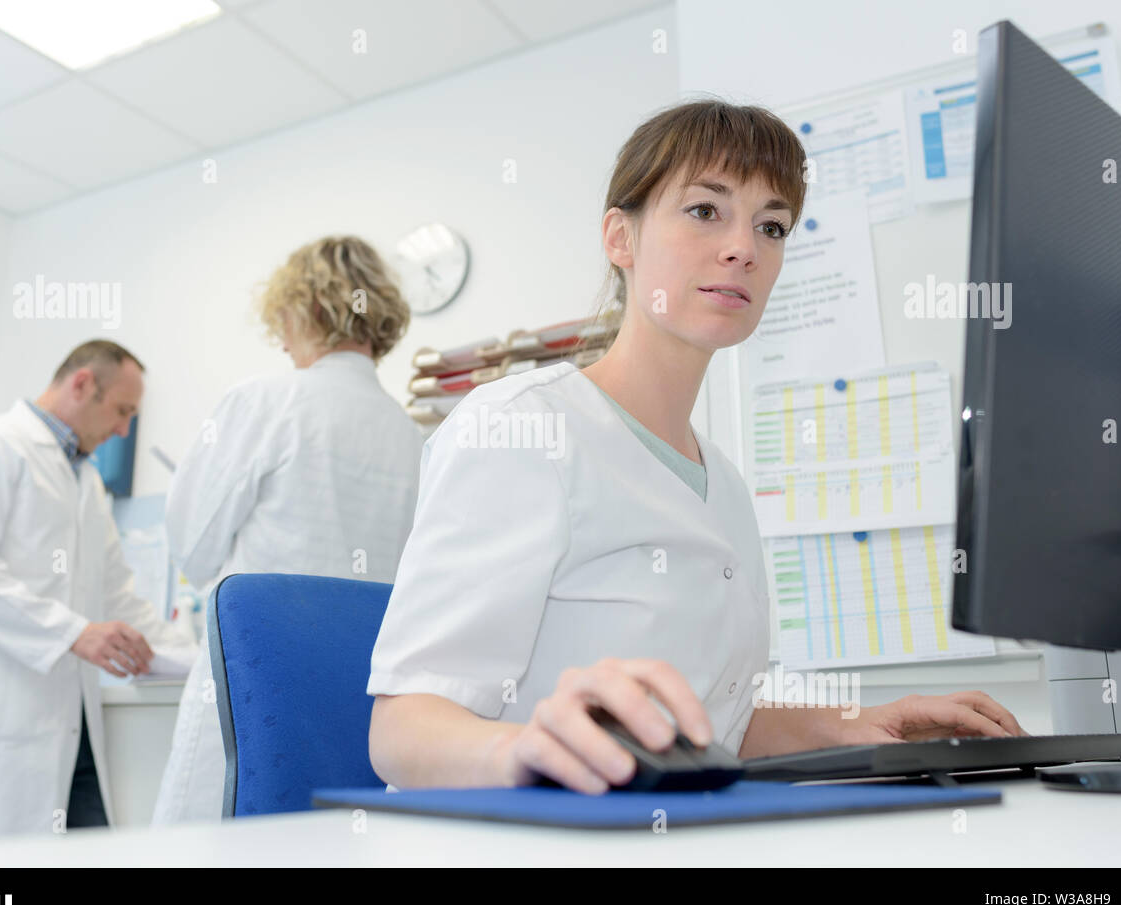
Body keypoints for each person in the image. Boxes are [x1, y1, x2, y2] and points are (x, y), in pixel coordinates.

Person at [366, 98, 1027, 794]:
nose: (744, 246)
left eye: (771, 226)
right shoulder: (521, 430)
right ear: (620, 238)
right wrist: (527, 751)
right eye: (706, 210)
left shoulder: (727, 485)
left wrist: (861, 722)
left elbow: (720, 725)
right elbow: (403, 730)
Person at [152, 235, 424, 825]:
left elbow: (192, 549)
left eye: (283, 321)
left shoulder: (262, 401)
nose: (280, 340)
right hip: (361, 711)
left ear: (307, 309)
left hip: (253, 697)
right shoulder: (413, 439)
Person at [0, 340, 184, 842]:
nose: (123, 429)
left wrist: (196, 658)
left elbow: (119, 598)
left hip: (69, 733)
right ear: (81, 384)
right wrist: (74, 633)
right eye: (121, 411)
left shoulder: (87, 484)